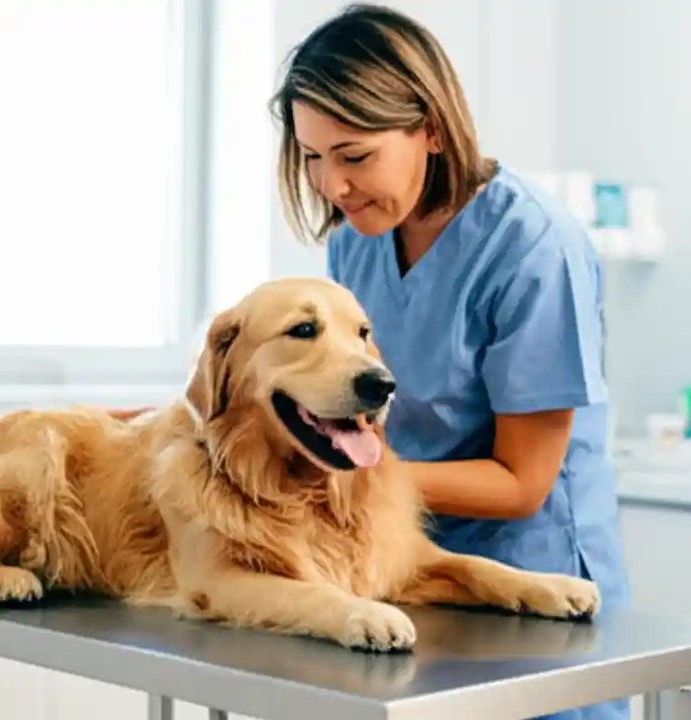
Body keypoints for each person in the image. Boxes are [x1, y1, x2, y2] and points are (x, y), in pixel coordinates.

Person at [269, 5, 631, 719]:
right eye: (312, 157)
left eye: (354, 155)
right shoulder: (357, 239)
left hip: (531, 582)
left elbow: (521, 482)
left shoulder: (532, 249)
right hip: (413, 568)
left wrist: (344, 475)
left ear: (430, 128)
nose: (332, 185)